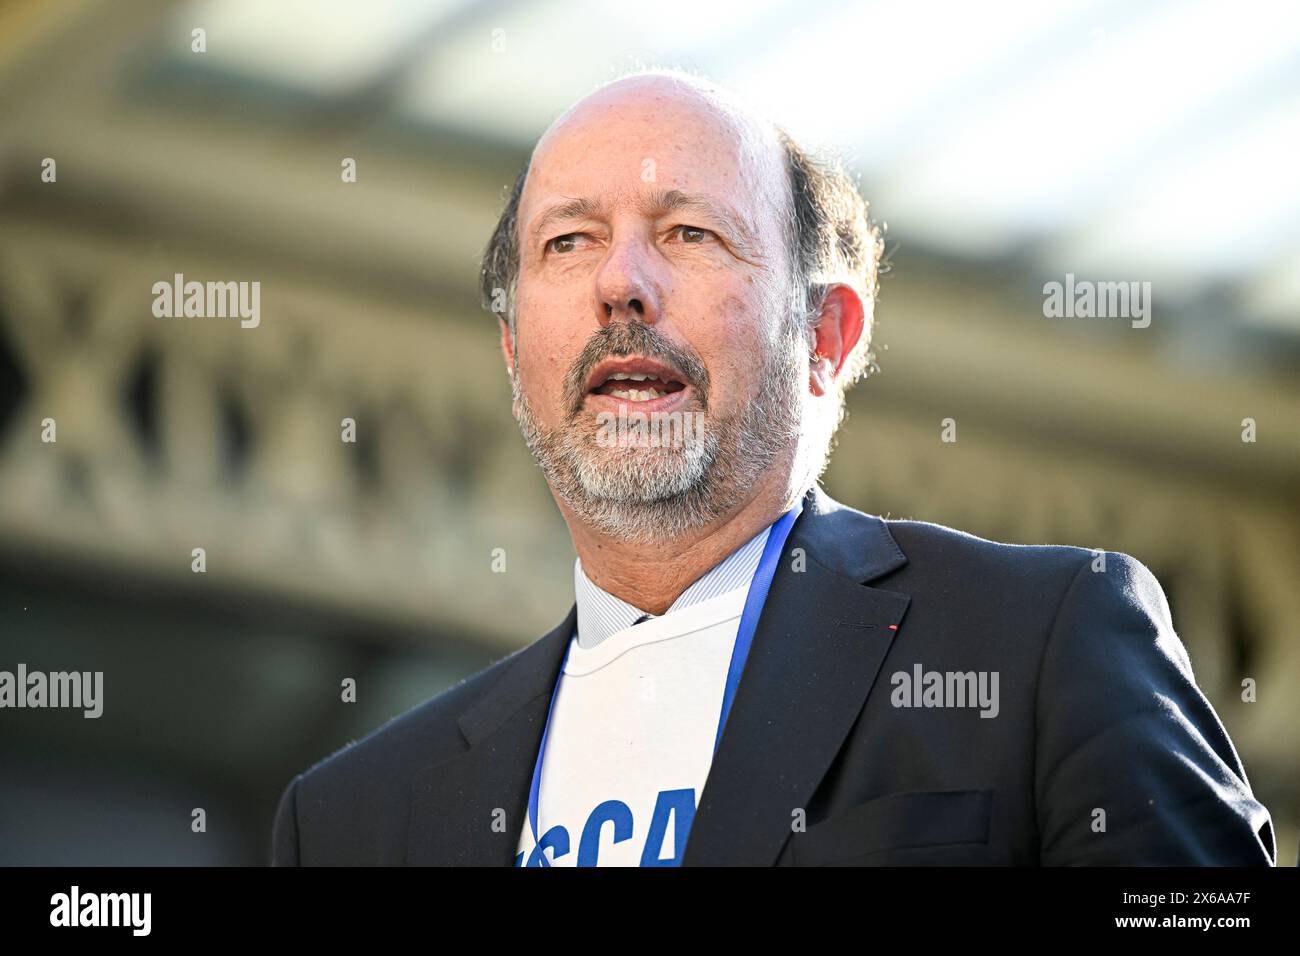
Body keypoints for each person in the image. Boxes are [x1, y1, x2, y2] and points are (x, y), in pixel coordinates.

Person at [272, 68, 1275, 867]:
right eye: (568, 241)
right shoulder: (357, 820)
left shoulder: (1043, 645)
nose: (621, 281)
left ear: (825, 336)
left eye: (689, 233)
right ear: (511, 347)